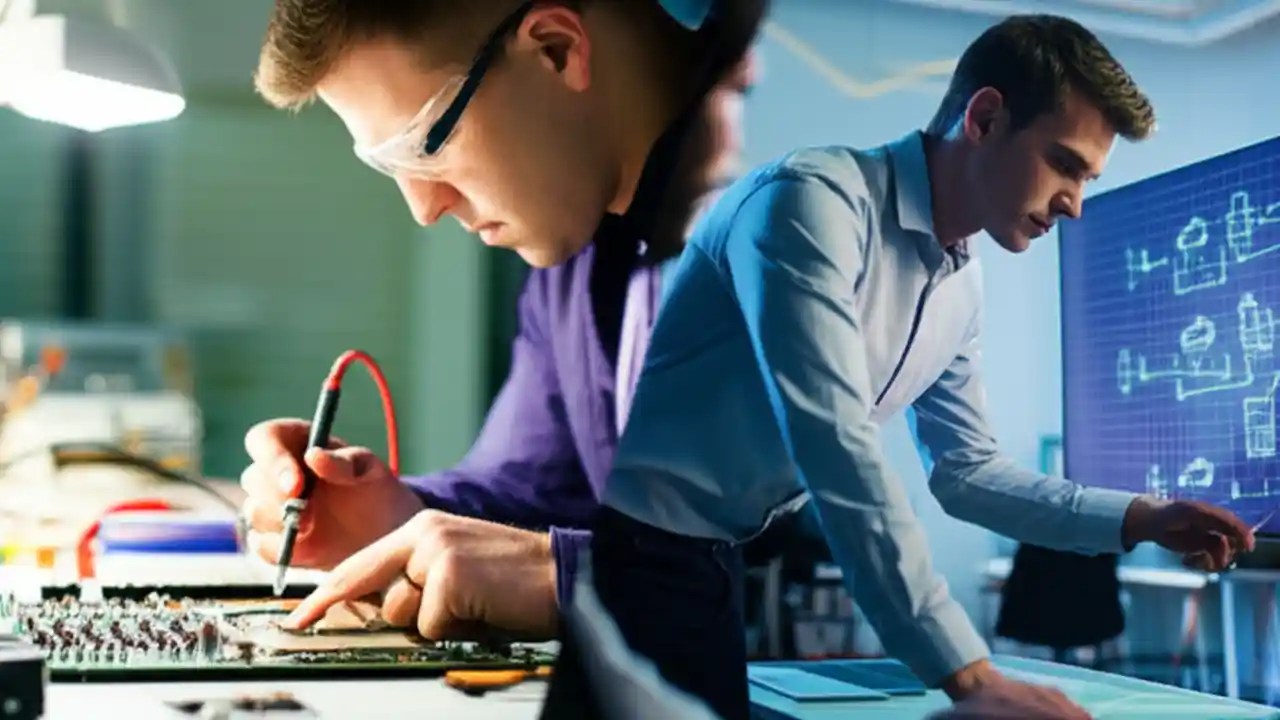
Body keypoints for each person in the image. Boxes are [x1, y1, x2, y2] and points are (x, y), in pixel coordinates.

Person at [543, 13, 1259, 720]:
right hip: (628, 552)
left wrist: (1143, 517)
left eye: (1089, 177)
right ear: (983, 119)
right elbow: (836, 446)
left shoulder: (960, 281)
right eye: (1065, 164)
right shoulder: (809, 203)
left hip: (709, 563)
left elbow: (969, 471)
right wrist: (971, 678)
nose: (1074, 204)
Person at [239, 0, 766, 640]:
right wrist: (395, 518)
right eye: (390, 166)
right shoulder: (576, 256)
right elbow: (541, 492)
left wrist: (575, 579)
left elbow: (818, 567)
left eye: (427, 142)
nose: (424, 208)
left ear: (555, 49)